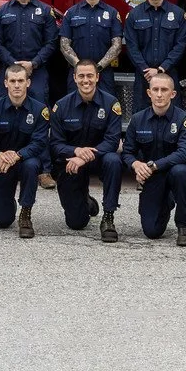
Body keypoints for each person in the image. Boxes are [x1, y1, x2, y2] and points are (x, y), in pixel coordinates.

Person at [58, 0, 122, 187]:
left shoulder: (112, 14)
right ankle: (73, 161)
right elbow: (64, 44)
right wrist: (81, 69)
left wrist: (98, 69)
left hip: (104, 75)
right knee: (73, 116)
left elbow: (117, 44)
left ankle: (100, 161)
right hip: (78, 75)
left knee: (106, 118)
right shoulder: (72, 14)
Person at [48, 57, 124, 241]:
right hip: (72, 163)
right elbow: (55, 144)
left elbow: (112, 141)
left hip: (99, 159)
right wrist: (75, 152)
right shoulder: (61, 106)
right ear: (74, 78)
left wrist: (85, 157)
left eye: (90, 76)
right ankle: (85, 200)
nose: (86, 80)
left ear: (98, 77)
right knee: (76, 223)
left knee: (114, 161)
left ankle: (108, 216)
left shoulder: (111, 104)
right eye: (81, 76)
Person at [125, 70, 186, 245]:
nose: (159, 94)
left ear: (172, 94)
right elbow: (127, 151)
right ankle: (166, 201)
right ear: (148, 93)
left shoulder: (184, 119)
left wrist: (154, 165)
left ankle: (184, 225)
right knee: (152, 232)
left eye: (164, 90)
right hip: (153, 178)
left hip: (175, 174)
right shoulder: (137, 120)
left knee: (180, 172)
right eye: (155, 90)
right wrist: (136, 165)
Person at [0, 62, 47, 237]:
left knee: (32, 165)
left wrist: (17, 155)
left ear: (28, 83)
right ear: (5, 83)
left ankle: (25, 213)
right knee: (2, 221)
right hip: (2, 165)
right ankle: (6, 202)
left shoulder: (39, 110)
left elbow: (39, 143)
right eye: (13, 81)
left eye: (21, 81)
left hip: (24, 162)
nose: (17, 85)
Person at [0, 0, 58, 106]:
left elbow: (51, 43)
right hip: (9, 70)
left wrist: (33, 63)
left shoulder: (45, 11)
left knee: (39, 111)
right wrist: (13, 64)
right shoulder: (2, 12)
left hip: (36, 71)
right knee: (4, 108)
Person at [122, 0, 186, 114]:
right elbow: (131, 46)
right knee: (141, 118)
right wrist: (146, 70)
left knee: (172, 118)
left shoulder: (178, 14)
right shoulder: (134, 15)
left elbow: (180, 46)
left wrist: (161, 69)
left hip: (169, 75)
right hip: (143, 78)